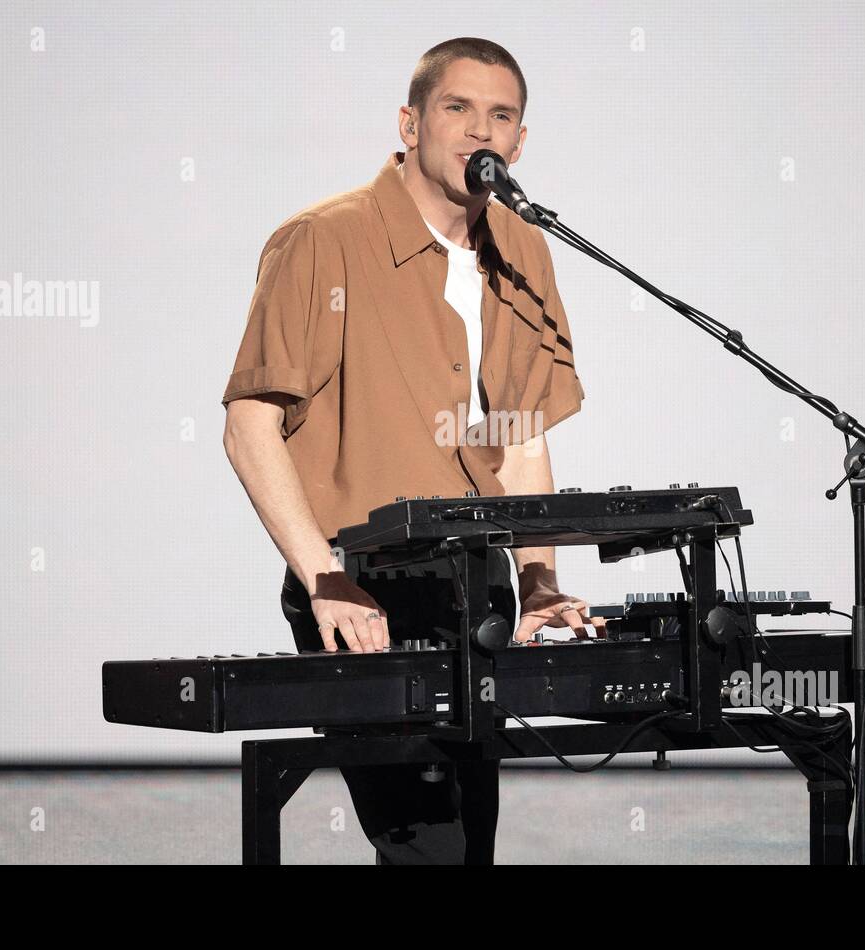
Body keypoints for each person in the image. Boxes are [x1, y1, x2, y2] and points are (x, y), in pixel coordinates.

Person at [222, 37, 594, 864]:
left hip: (478, 588)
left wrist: (540, 585)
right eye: (456, 109)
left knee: (469, 851)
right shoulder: (324, 240)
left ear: (520, 142)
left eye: (500, 116)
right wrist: (324, 577)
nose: (477, 132)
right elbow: (249, 426)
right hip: (362, 586)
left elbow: (521, 439)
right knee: (426, 848)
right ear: (411, 121)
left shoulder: (524, 251)